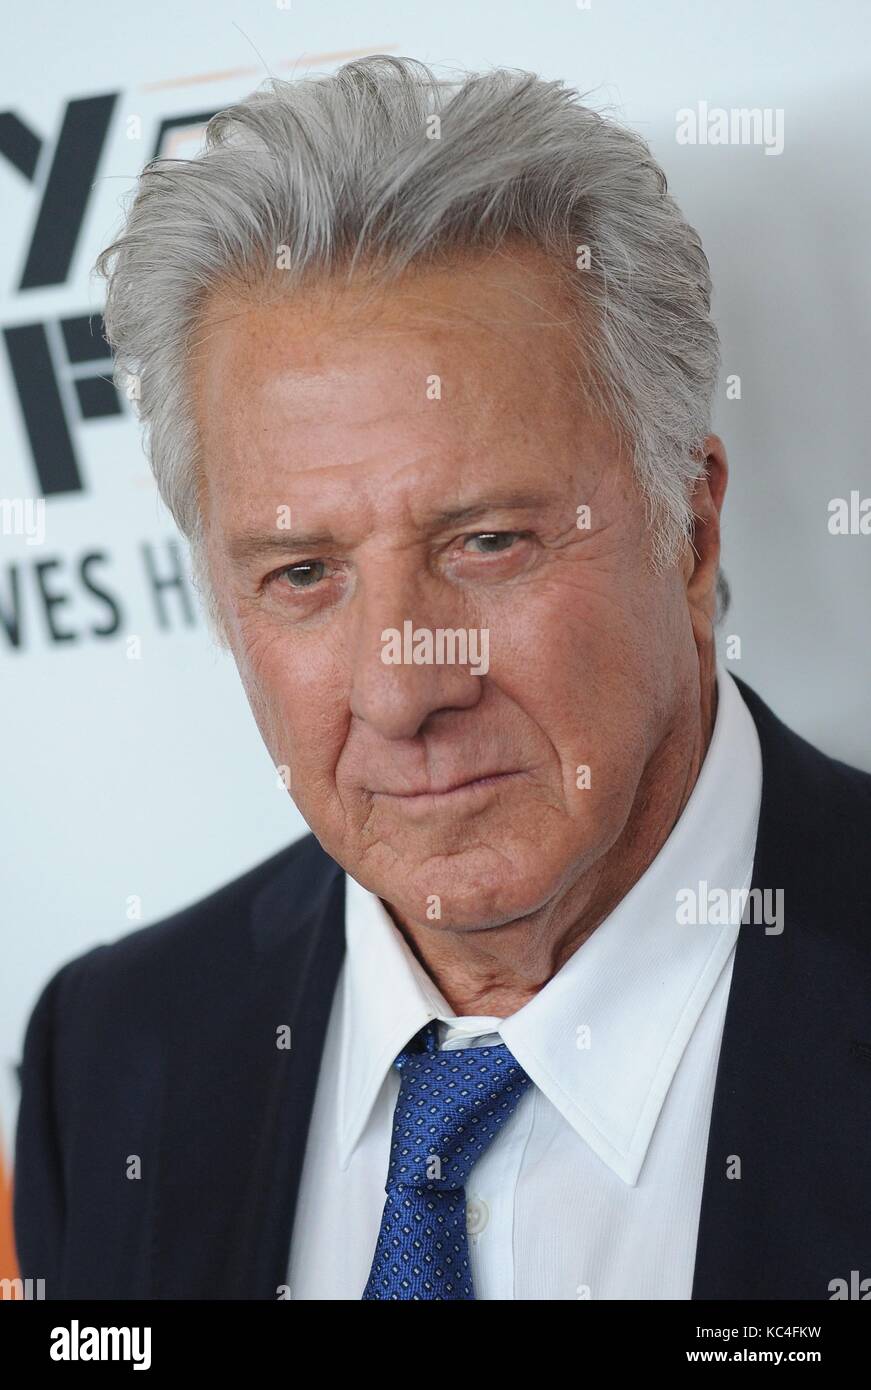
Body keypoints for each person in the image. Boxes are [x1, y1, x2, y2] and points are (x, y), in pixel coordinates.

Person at [14, 55, 871, 1300]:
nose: (402, 691)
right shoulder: (113, 1052)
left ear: (688, 531)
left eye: (485, 544)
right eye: (303, 571)